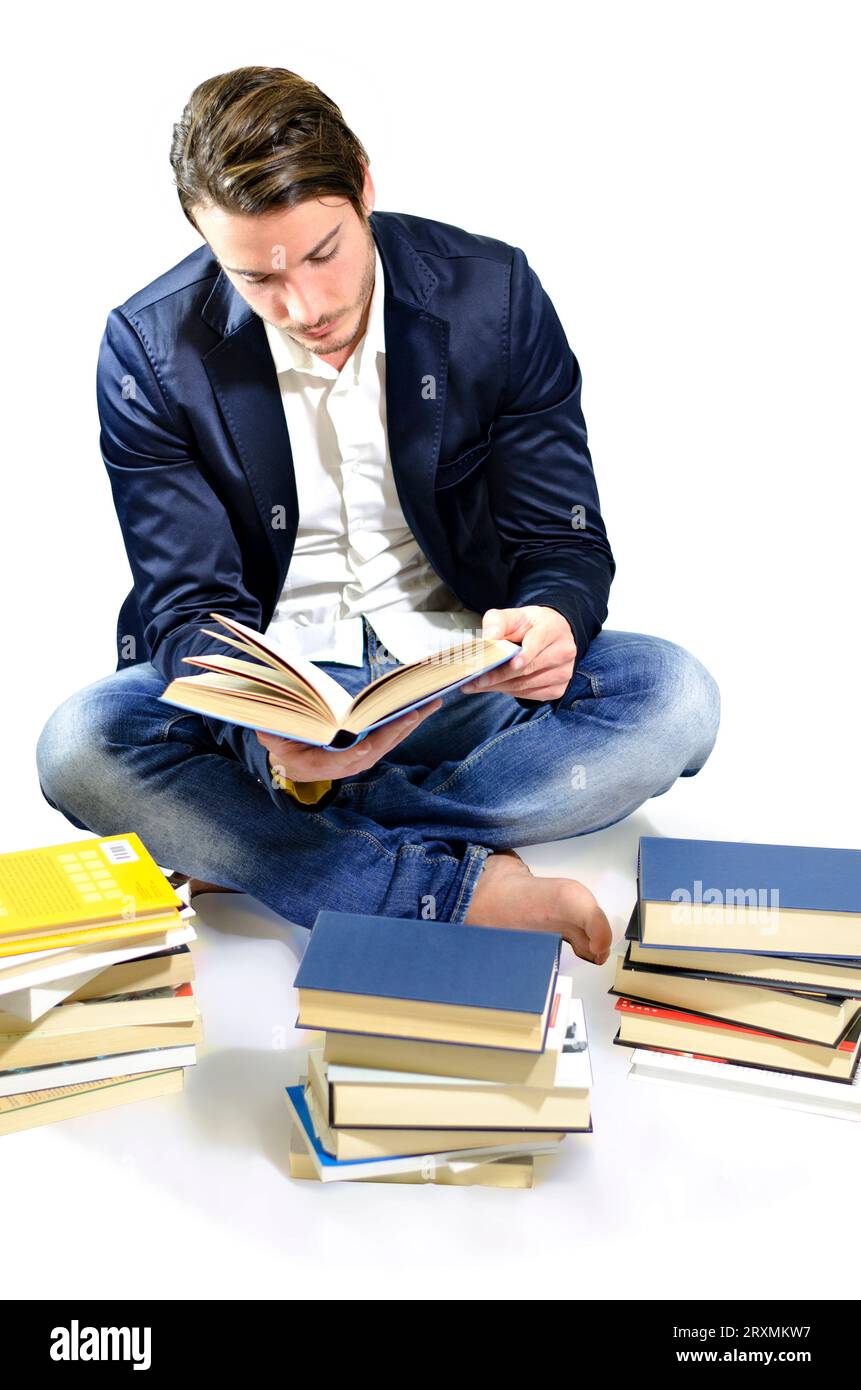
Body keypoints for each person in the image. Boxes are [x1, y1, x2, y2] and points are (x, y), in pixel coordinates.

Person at [35, 65, 720, 966]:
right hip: (274, 707)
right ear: (206, 241)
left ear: (362, 183)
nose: (304, 306)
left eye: (323, 254)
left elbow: (560, 537)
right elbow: (185, 603)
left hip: (458, 679)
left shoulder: (493, 296)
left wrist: (550, 618)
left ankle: (260, 845)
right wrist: (259, 728)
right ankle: (452, 886)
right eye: (256, 279)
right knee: (82, 744)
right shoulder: (150, 348)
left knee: (672, 697)